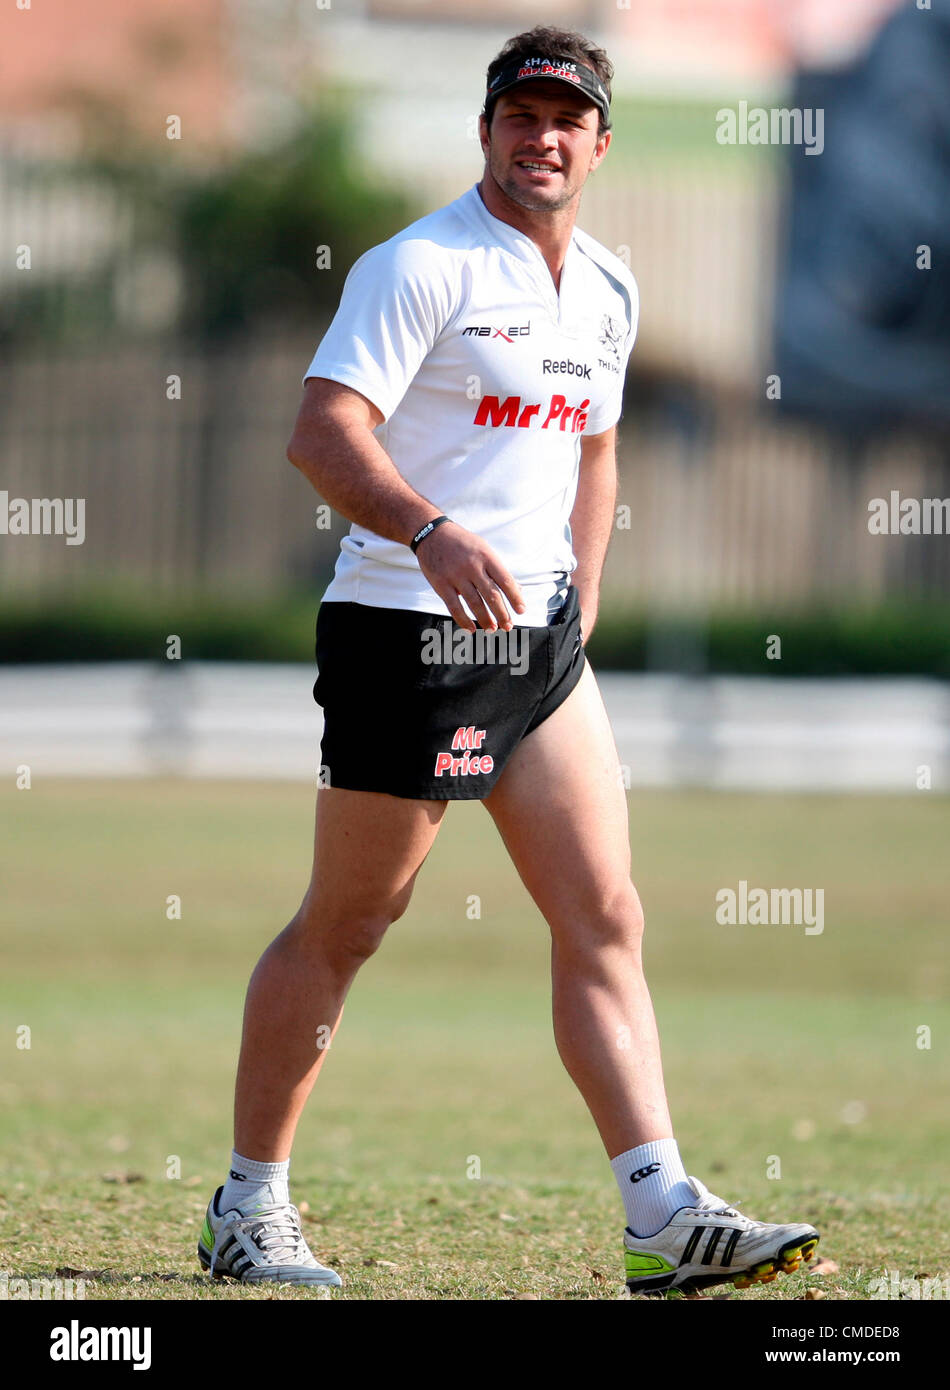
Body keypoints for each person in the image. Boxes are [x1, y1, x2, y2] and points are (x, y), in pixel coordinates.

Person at [198, 25, 819, 1297]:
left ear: (599, 143)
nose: (541, 136)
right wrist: (426, 532)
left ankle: (658, 1210)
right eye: (517, 115)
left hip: (536, 650)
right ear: (485, 132)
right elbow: (322, 433)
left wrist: (576, 599)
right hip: (402, 640)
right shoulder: (415, 265)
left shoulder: (606, 285)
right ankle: (245, 1207)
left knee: (604, 912)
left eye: (564, 118)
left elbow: (593, 452)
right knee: (350, 922)